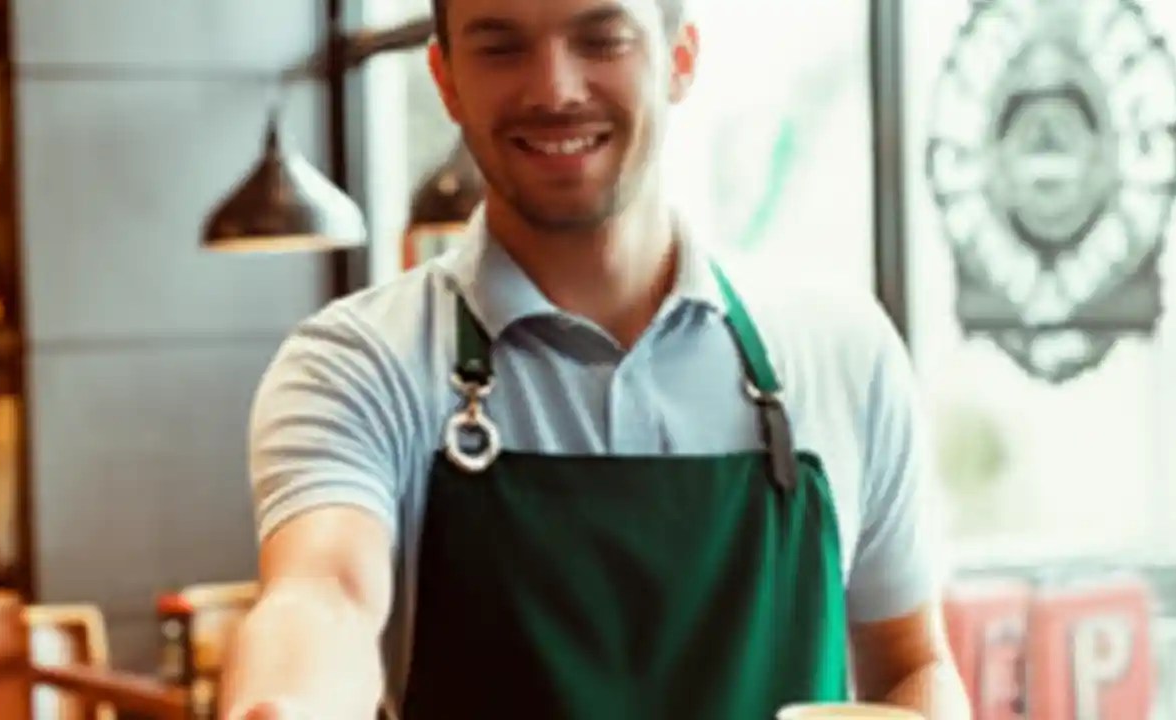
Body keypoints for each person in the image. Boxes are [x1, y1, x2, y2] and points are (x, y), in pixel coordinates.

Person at [221, 0, 970, 717]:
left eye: (601, 38)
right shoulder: (357, 364)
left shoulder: (841, 350)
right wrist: (283, 707)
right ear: (446, 80)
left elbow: (909, 662)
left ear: (680, 60)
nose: (554, 88)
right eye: (502, 46)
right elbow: (326, 596)